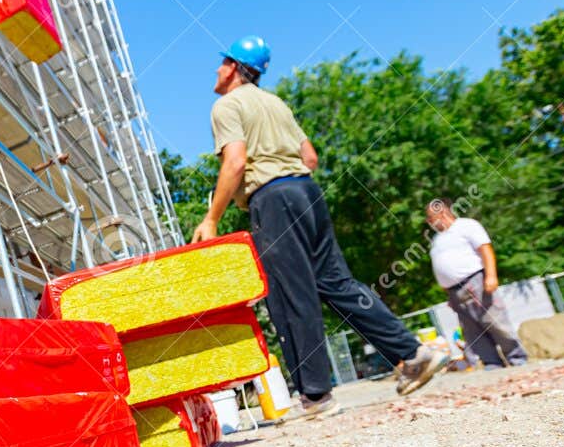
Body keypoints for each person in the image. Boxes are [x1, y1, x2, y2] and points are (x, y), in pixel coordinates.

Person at [192, 37, 448, 417]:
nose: (215, 71)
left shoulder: (227, 105)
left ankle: (315, 395)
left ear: (232, 67)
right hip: (307, 192)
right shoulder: (276, 103)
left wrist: (211, 218)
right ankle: (412, 354)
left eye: (220, 64)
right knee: (336, 282)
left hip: (273, 199)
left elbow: (235, 162)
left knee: (293, 293)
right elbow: (309, 157)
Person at [424, 199, 529, 368]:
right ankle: (491, 362)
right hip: (454, 290)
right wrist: (449, 295)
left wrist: (491, 276)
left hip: (475, 281)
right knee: (472, 329)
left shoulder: (466, 226)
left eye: (430, 218)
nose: (428, 222)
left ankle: (517, 358)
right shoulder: (437, 239)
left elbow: (485, 249)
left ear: (442, 212)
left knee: (494, 320)